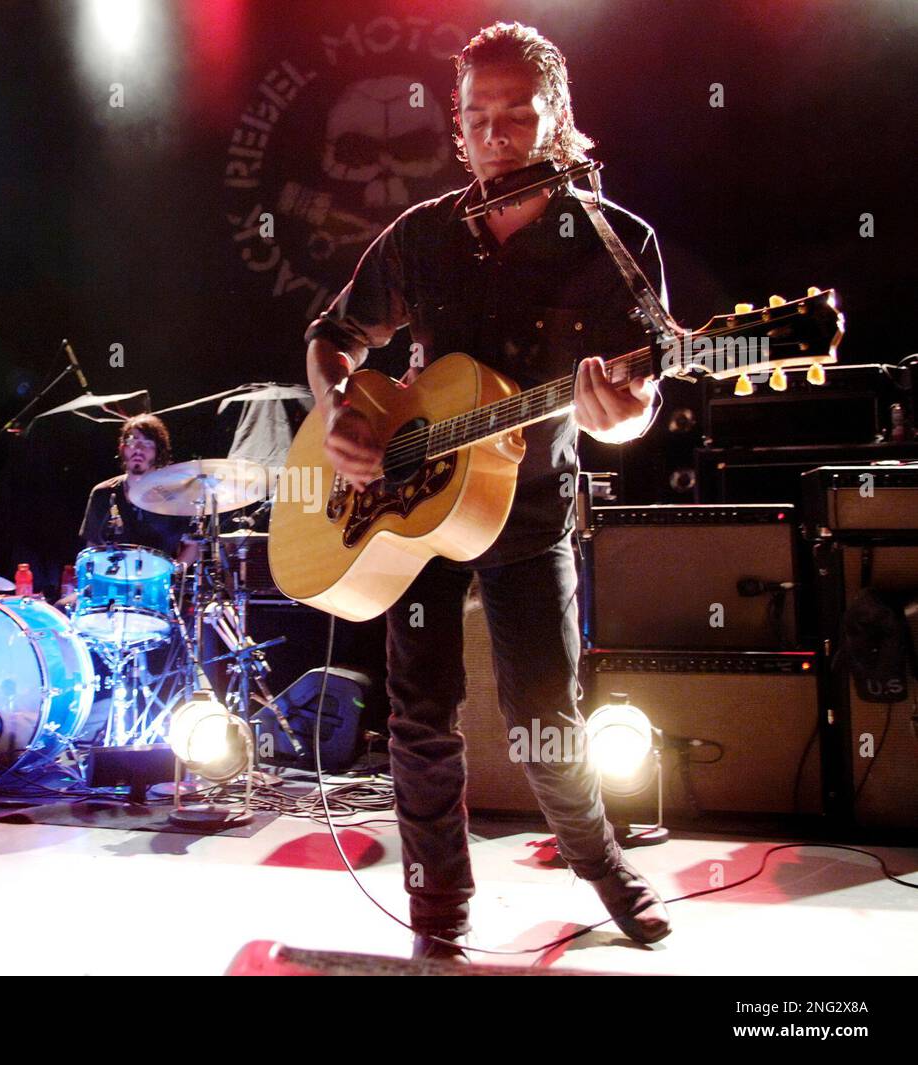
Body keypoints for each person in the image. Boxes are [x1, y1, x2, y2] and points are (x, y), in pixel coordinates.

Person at [304, 22, 672, 960]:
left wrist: (611, 414)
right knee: (420, 718)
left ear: (558, 118)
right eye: (477, 115)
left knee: (546, 721)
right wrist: (345, 400)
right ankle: (439, 917)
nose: (496, 131)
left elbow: (634, 408)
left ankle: (602, 865)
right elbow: (333, 336)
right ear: (458, 128)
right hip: (414, 510)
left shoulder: (614, 241)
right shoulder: (420, 237)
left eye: (517, 113)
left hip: (533, 508)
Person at [77, 414, 200, 565]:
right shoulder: (103, 493)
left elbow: (192, 546)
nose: (138, 449)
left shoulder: (176, 496)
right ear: (122, 447)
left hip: (157, 582)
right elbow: (93, 546)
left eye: (147, 443)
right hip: (114, 582)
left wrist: (175, 573)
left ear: (158, 451)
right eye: (132, 441)